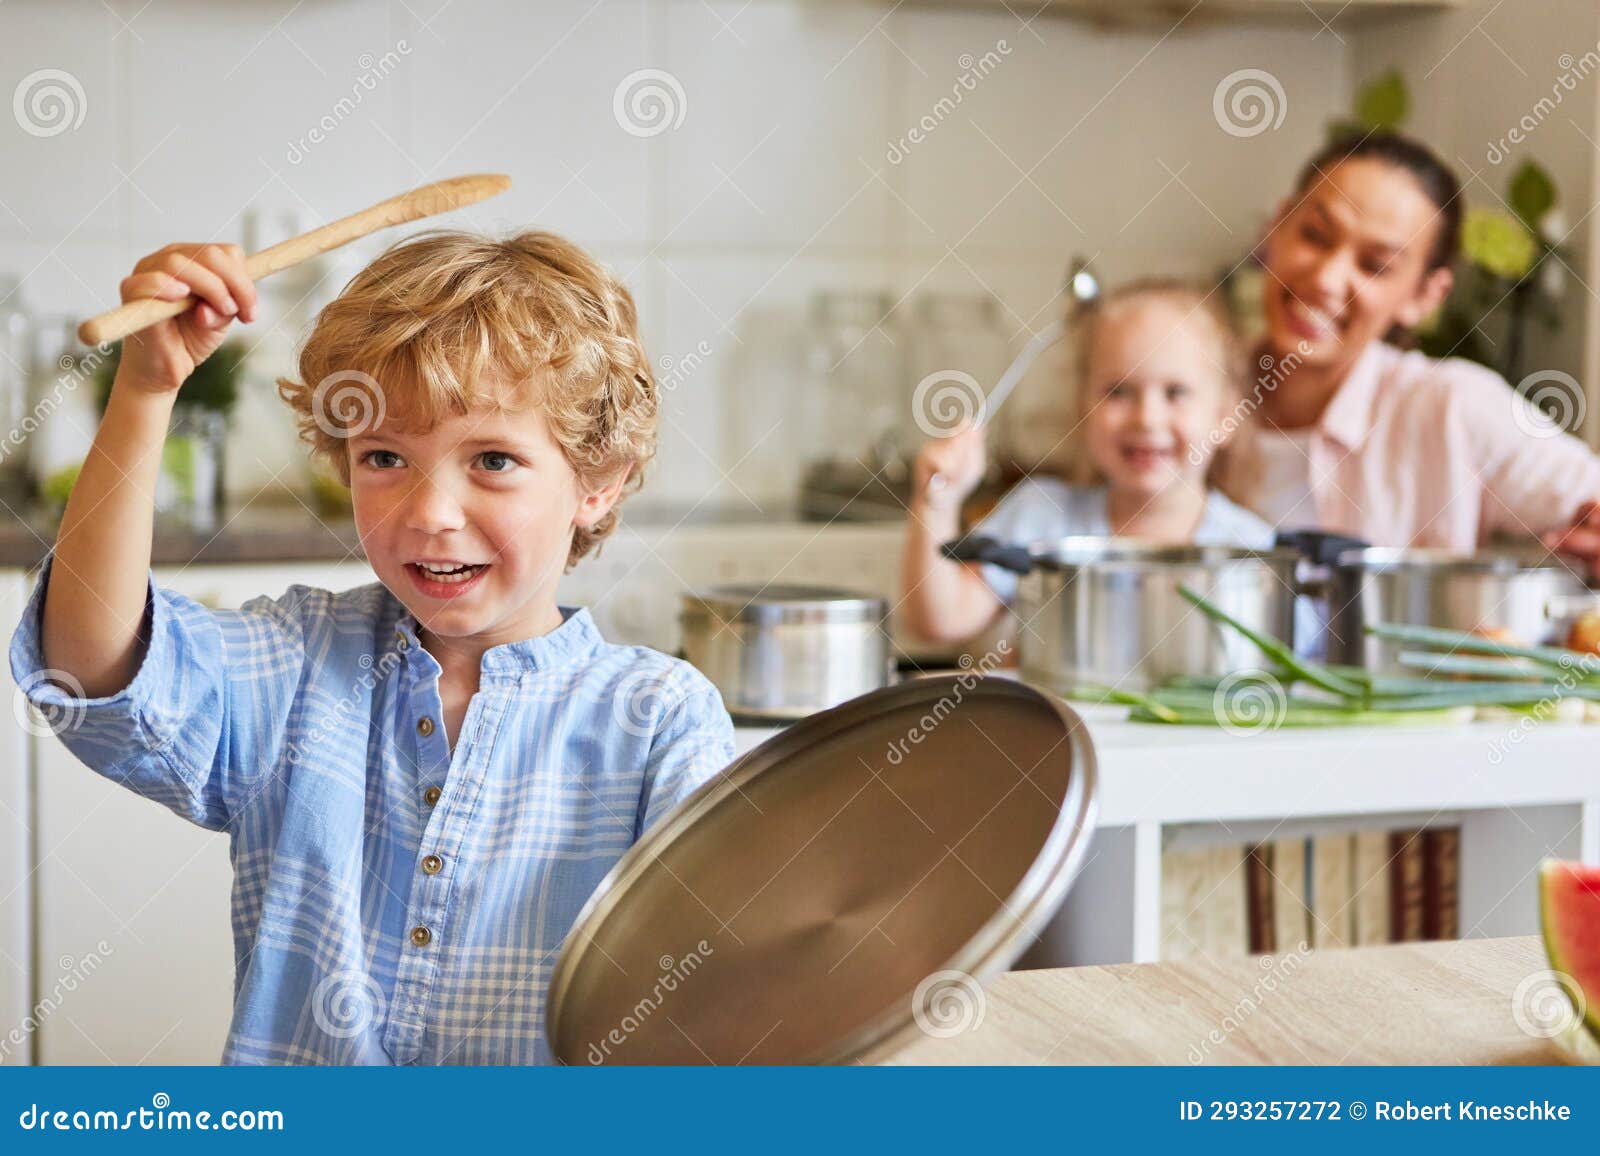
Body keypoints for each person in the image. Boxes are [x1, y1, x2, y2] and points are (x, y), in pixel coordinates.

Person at [9, 232, 735, 1064]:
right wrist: (145, 389)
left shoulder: (659, 721)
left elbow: (712, 1006)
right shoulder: (302, 658)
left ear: (597, 478)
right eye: (385, 457)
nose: (430, 513)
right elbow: (89, 664)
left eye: (493, 460)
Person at [1249, 131, 1600, 572]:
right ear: (1279, 224)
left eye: (1375, 266)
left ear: (1425, 296)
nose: (1326, 278)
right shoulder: (1180, 391)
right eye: (1316, 235)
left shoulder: (1451, 405)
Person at [901, 279, 1272, 645]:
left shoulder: (1254, 550)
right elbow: (940, 620)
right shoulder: (1040, 517)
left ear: (1227, 415)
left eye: (1175, 393)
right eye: (1118, 392)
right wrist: (937, 502)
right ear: (1083, 407)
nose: (1146, 418)